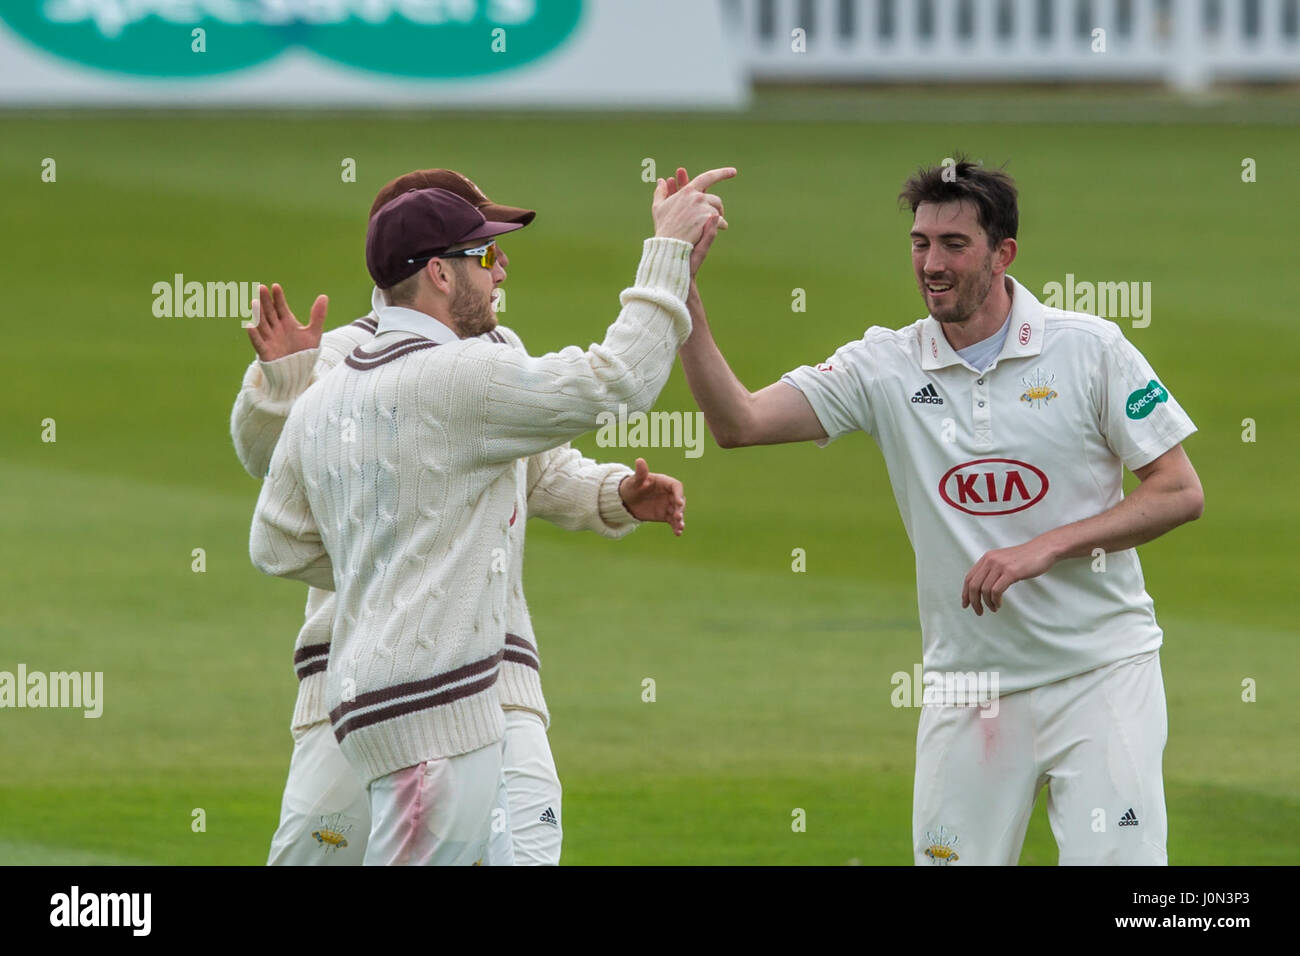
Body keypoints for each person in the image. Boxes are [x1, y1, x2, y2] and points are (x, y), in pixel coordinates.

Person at [672, 159, 1202, 865]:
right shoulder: (883, 364)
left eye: (954, 244)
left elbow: (1178, 489)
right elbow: (738, 422)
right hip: (969, 683)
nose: (932, 263)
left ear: (1002, 253)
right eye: (921, 243)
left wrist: (1045, 547)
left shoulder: (1091, 349)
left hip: (1102, 672)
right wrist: (680, 298)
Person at [250, 168, 733, 864]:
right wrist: (666, 254)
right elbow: (617, 378)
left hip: (398, 705)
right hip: (430, 715)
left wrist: (399, 546)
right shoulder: (459, 376)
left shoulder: (332, 392)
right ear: (439, 276)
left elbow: (274, 543)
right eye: (482, 255)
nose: (500, 268)